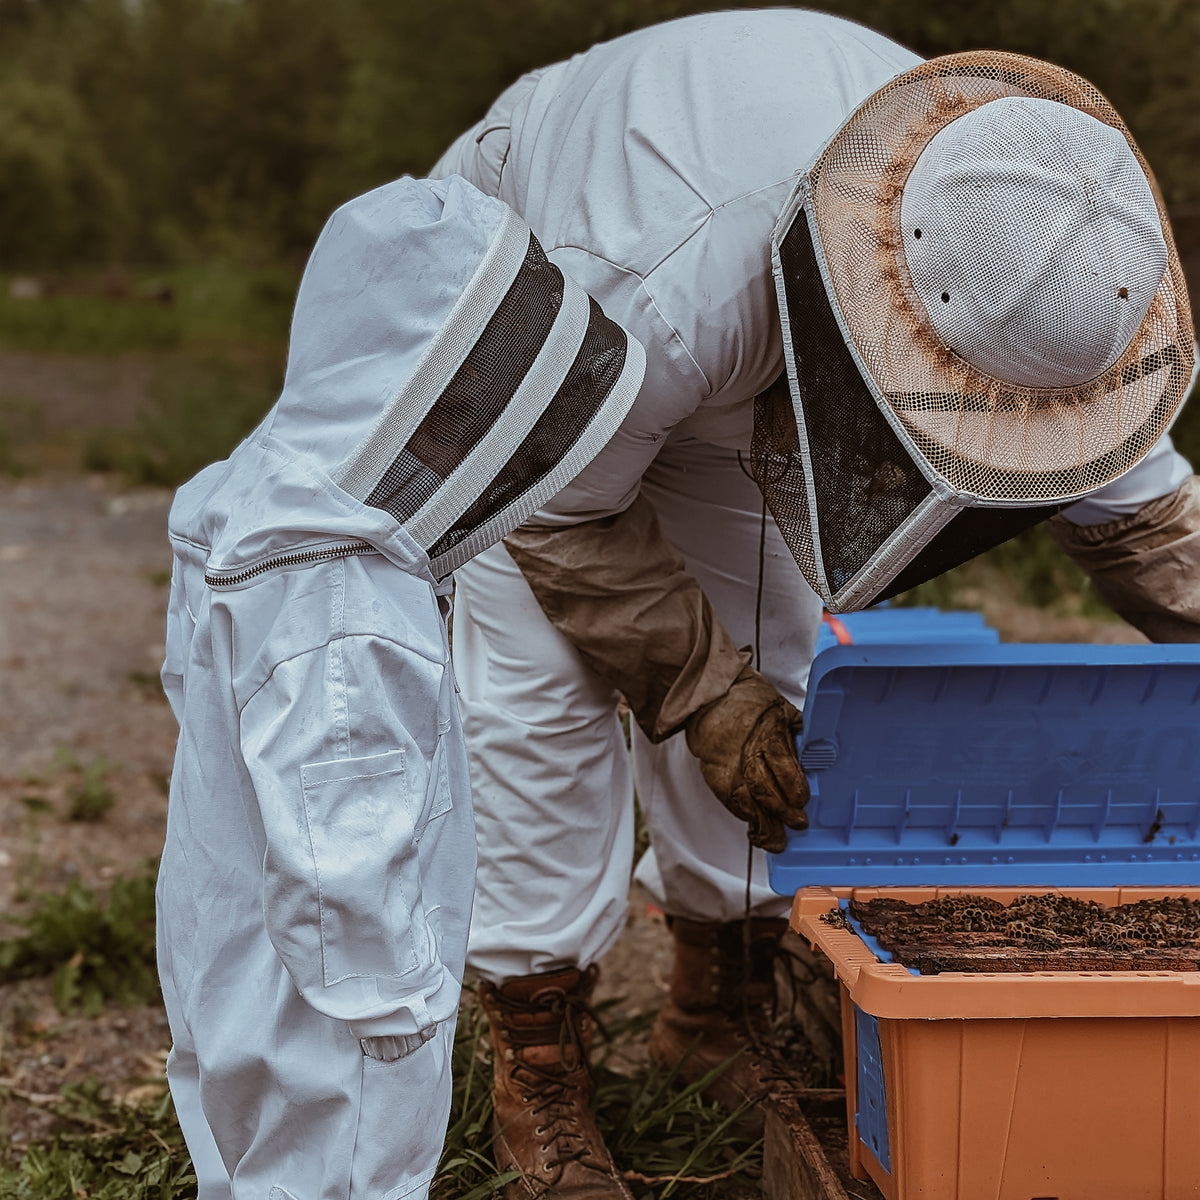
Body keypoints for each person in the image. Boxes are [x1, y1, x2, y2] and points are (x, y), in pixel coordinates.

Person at [429, 9, 1200, 1197]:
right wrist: (695, 693)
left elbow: (1151, 524)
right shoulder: (655, 275)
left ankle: (712, 1008)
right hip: (546, 324)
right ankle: (539, 1065)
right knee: (546, 694)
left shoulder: (1038, 234)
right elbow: (553, 508)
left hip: (714, 345)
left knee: (774, 661)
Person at [155, 174, 645, 1200]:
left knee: (248, 1150)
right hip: (333, 1023)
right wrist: (397, 1009)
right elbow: (343, 862)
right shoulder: (344, 596)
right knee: (337, 1170)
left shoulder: (246, 508)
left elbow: (188, 686)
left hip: (234, 954)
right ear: (403, 389)